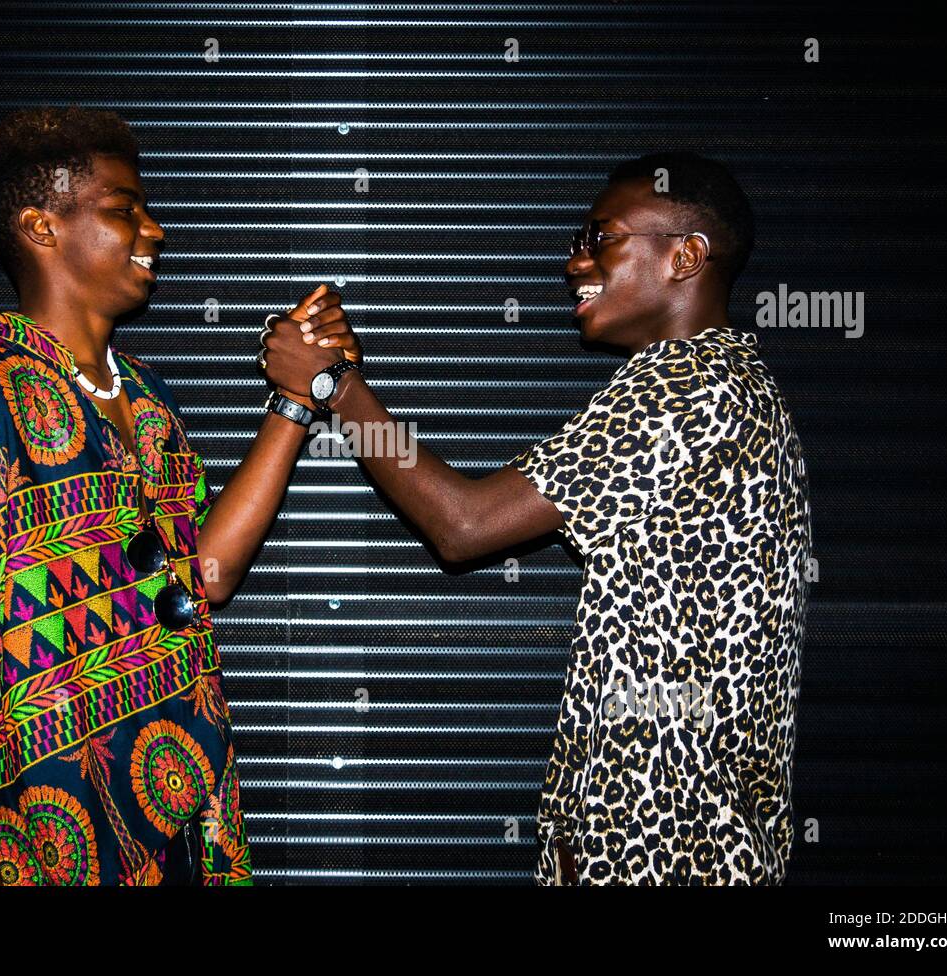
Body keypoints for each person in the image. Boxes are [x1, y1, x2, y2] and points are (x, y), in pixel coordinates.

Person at [262, 151, 813, 884]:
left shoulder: (686, 388)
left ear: (685, 256)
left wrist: (336, 388)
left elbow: (465, 524)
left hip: (665, 849)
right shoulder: (739, 386)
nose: (574, 262)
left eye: (601, 238)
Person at [0, 106, 360, 885]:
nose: (154, 230)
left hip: (185, 823)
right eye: (124, 209)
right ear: (43, 229)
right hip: (59, 840)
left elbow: (206, 578)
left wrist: (294, 400)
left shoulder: (147, 399)